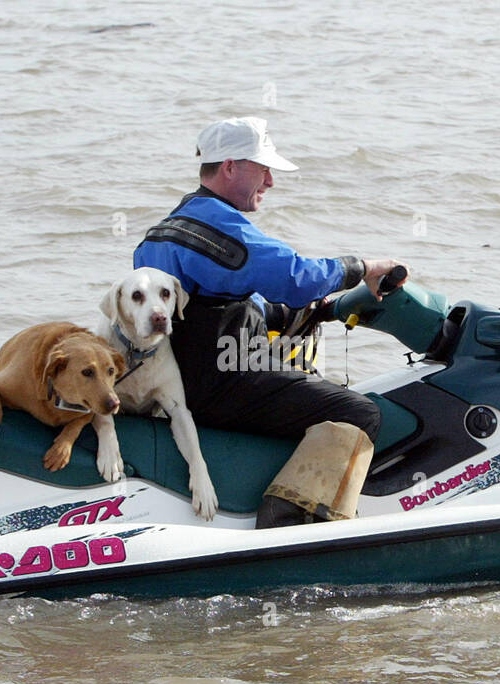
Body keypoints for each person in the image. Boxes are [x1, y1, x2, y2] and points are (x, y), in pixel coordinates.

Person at [132, 116, 406, 528]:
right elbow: (297, 278)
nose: (271, 183)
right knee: (359, 413)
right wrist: (363, 267)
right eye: (264, 170)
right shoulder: (218, 228)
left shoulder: (164, 232)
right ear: (229, 166)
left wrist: (317, 309)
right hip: (221, 382)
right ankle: (288, 523)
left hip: (178, 382)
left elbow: (230, 302)